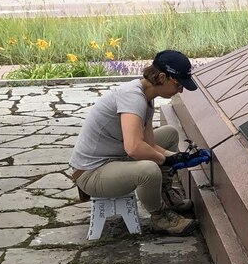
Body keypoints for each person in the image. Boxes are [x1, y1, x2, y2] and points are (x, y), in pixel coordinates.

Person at [69, 50, 199, 236]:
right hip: (91, 173)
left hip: (115, 158)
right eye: (178, 84)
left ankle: (166, 195)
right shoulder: (133, 98)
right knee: (149, 170)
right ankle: (160, 217)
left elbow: (150, 144)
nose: (181, 90)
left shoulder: (146, 97)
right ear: (162, 77)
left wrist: (182, 157)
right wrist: (166, 160)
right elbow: (134, 147)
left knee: (169, 134)